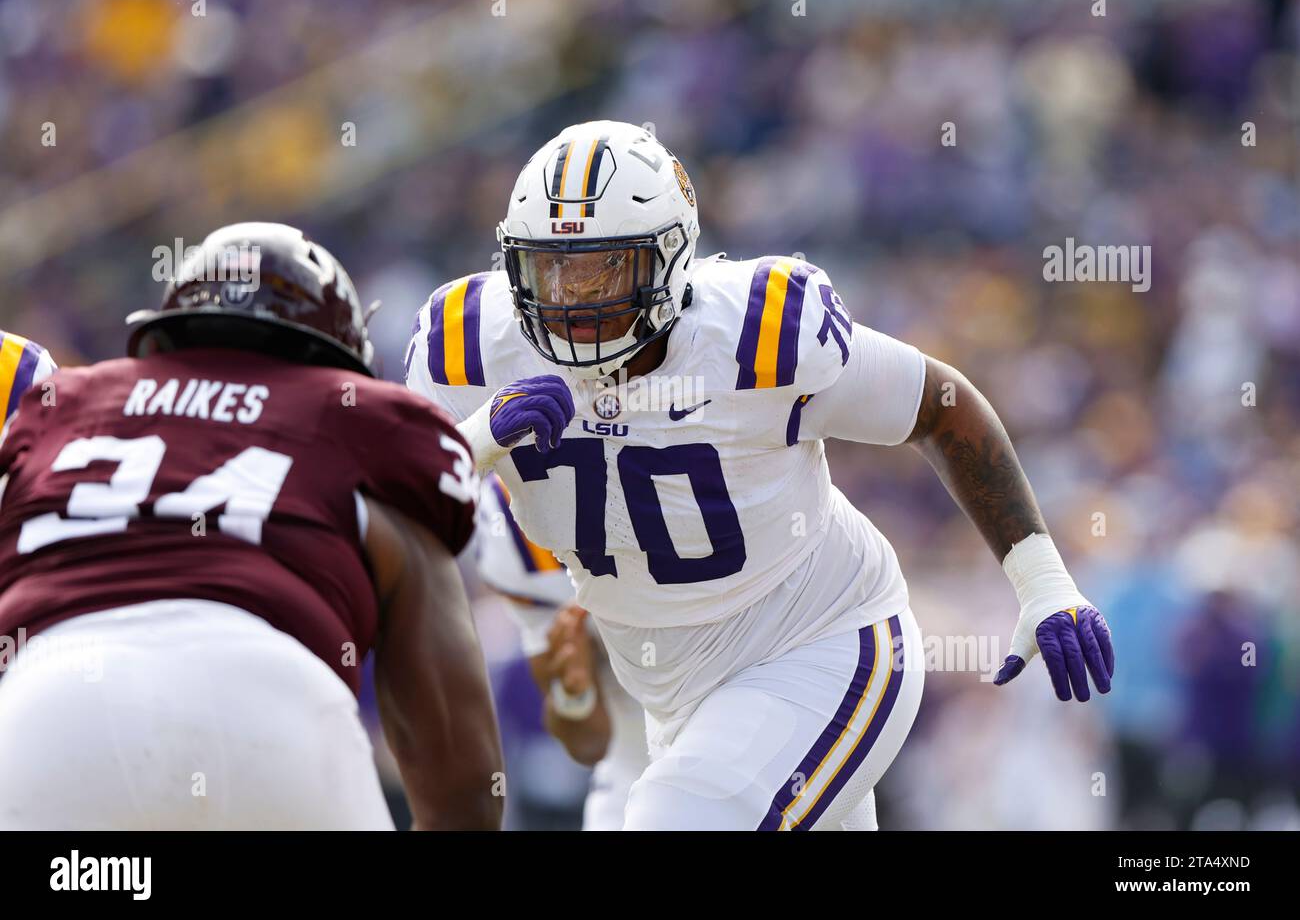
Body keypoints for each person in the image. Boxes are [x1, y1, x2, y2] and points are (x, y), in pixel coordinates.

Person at [406, 122, 1114, 830]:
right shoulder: (473, 348)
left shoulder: (754, 333)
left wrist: (1042, 580)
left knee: (668, 816)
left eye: (603, 269)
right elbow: (396, 508)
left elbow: (940, 406)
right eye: (549, 268)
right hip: (677, 703)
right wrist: (474, 440)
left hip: (826, 643)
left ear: (670, 256)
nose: (572, 298)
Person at [0, 223, 502, 830]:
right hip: (273, 715)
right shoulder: (371, 422)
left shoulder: (64, 404)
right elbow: (465, 789)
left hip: (47, 716)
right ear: (338, 361)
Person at [475, 473, 647, 829]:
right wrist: (574, 692)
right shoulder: (511, 527)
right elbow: (587, 745)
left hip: (758, 732)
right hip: (636, 775)